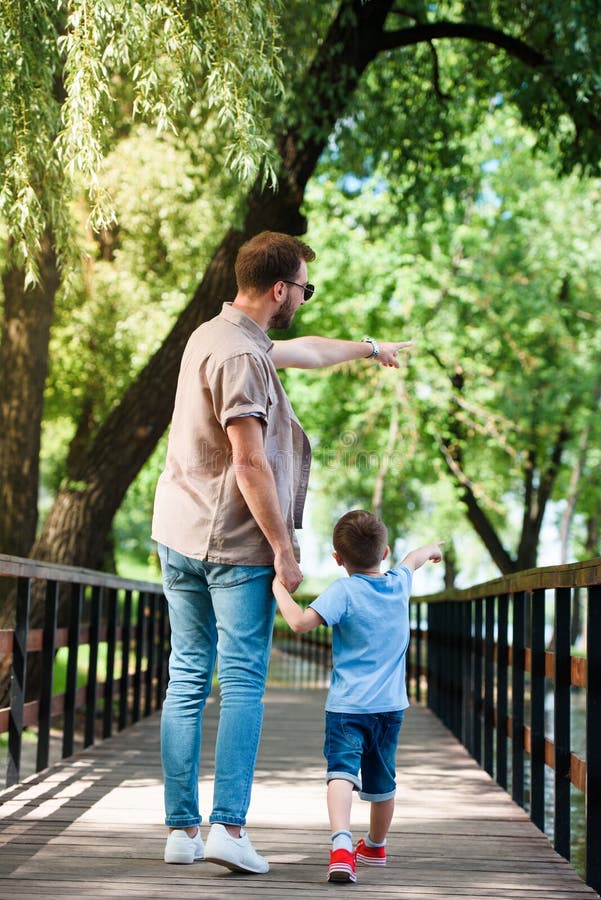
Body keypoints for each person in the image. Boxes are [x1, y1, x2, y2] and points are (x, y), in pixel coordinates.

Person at [151, 230, 412, 874]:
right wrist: (283, 550)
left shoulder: (215, 335)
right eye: (303, 287)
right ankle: (229, 828)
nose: (304, 297)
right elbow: (249, 460)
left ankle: (183, 829)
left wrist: (369, 348)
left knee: (187, 676)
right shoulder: (242, 358)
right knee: (240, 683)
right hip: (231, 543)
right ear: (279, 289)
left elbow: (305, 352)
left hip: (176, 532)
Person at [272, 509, 443, 884]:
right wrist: (431, 550)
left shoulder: (343, 591)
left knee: (341, 775)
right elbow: (412, 560)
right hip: (390, 709)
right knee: (383, 782)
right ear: (384, 553)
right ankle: (376, 846)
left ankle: (341, 848)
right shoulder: (399, 583)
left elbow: (299, 623)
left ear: (338, 559)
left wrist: (278, 589)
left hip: (348, 708)